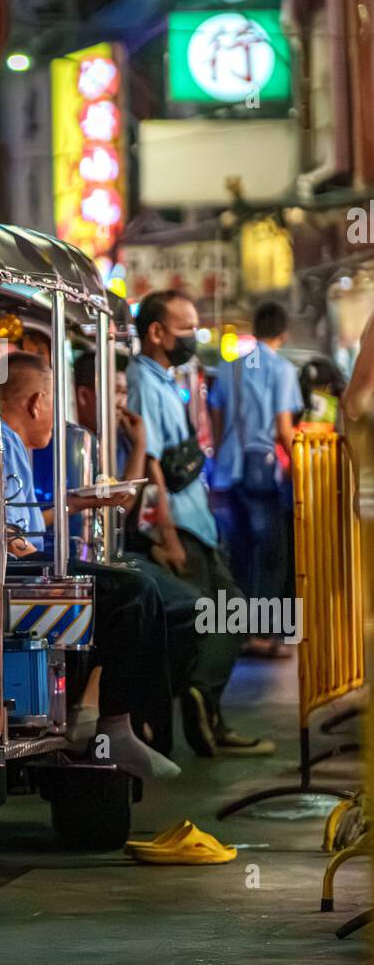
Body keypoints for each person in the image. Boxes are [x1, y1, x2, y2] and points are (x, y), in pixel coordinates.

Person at [0, 351, 180, 781]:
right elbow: (9, 536)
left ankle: (109, 718)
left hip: (26, 563)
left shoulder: (13, 443)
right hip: (12, 576)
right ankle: (120, 725)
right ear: (37, 403)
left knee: (135, 590)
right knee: (135, 594)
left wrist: (79, 501)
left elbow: (23, 521)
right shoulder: (1, 442)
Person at [74, 352, 246, 757]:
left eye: (122, 391)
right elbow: (122, 509)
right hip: (113, 554)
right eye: (114, 391)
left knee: (215, 609)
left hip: (143, 543)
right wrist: (142, 449)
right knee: (206, 609)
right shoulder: (80, 443)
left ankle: (173, 710)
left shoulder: (116, 437)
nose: (122, 401)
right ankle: (161, 715)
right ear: (84, 395)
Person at [126, 290, 274, 757]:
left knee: (229, 612)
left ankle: (207, 712)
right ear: (156, 332)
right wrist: (166, 536)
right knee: (221, 615)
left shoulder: (166, 380)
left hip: (197, 521)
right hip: (178, 529)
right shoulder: (143, 381)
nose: (193, 336)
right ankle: (196, 706)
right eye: (185, 328)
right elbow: (150, 467)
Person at [209, 301, 303, 652]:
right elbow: (283, 427)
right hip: (260, 471)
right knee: (270, 554)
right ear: (283, 332)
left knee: (239, 554)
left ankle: (240, 632)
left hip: (227, 472)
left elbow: (216, 418)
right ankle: (263, 635)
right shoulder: (281, 369)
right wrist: (303, 465)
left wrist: (221, 457)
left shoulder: (230, 367)